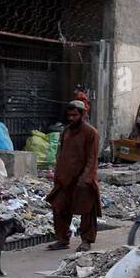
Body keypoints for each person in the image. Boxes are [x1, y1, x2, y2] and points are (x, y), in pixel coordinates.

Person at [46, 101, 100, 252]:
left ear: (82, 115)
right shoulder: (66, 132)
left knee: (87, 210)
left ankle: (86, 241)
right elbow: (61, 153)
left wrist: (86, 178)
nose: (71, 118)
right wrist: (57, 174)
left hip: (83, 179)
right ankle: (62, 239)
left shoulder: (91, 133)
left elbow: (92, 158)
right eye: (69, 115)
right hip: (65, 178)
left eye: (75, 115)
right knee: (59, 207)